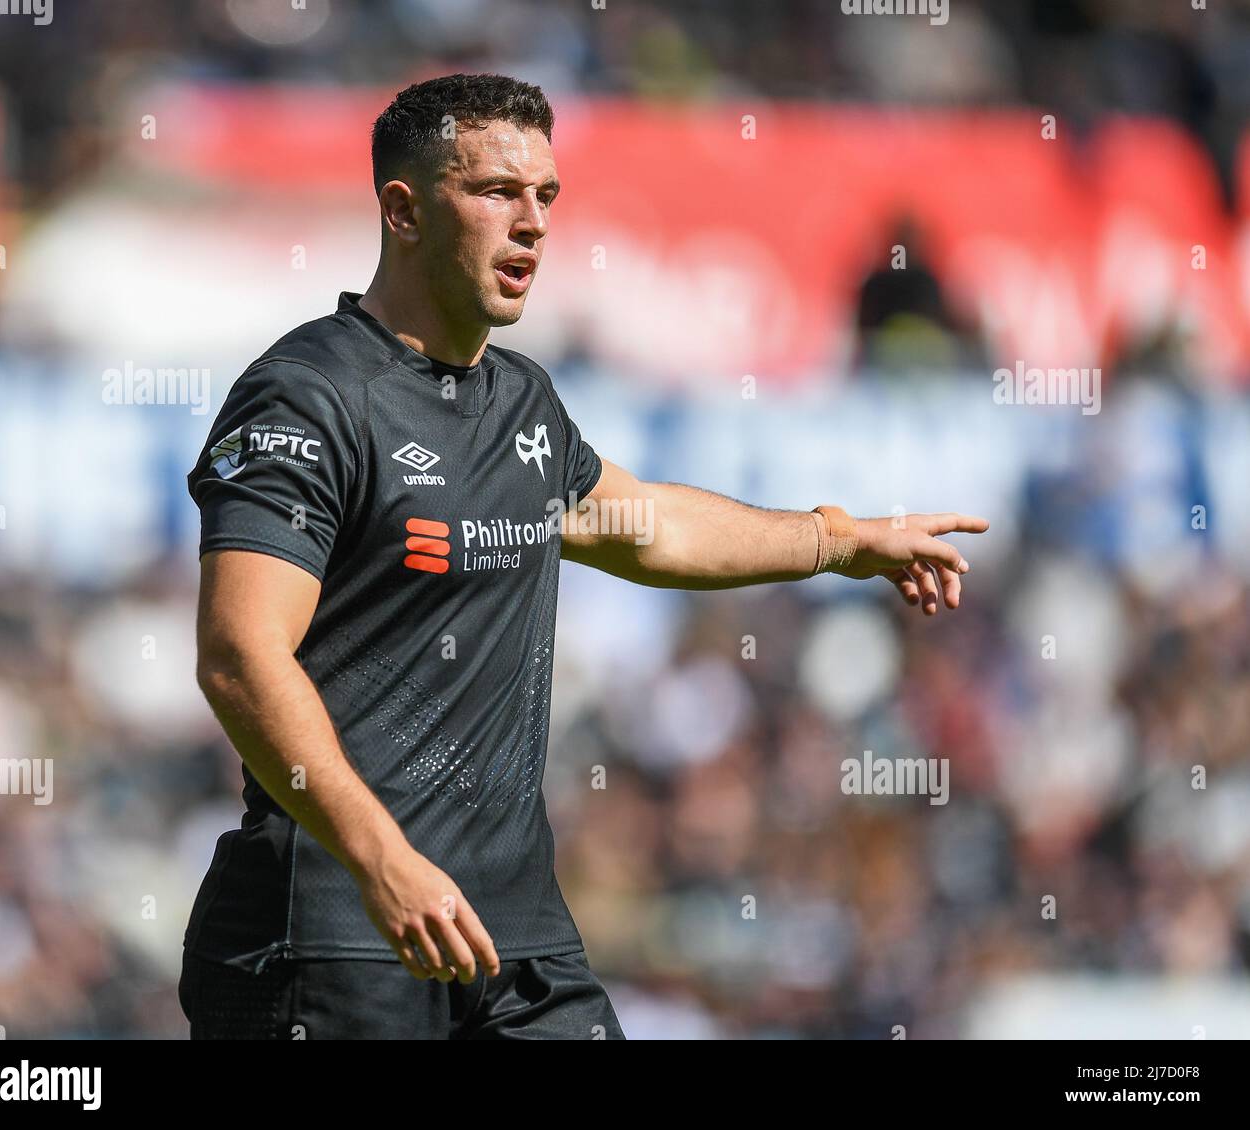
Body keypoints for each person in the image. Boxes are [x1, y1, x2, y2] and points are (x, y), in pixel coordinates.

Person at [178, 72, 989, 1040]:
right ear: (402, 210)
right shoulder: (308, 396)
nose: (531, 223)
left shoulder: (520, 402)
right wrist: (379, 857)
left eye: (546, 197)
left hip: (512, 934)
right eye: (493, 192)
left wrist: (835, 537)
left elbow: (640, 523)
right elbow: (239, 653)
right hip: (334, 926)